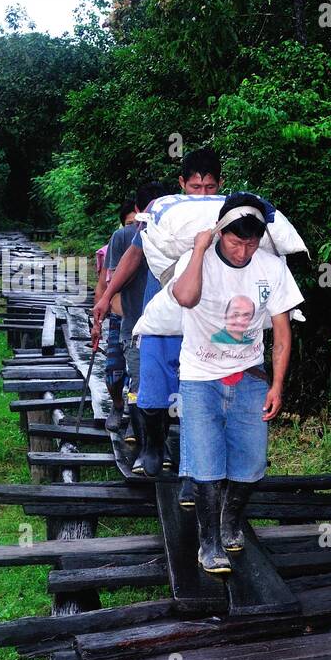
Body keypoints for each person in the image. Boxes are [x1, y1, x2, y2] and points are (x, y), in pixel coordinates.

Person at [170, 192, 302, 574]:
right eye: (234, 240)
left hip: (250, 376)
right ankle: (208, 542)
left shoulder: (272, 268)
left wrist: (277, 385)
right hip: (199, 377)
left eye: (251, 242)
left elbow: (282, 331)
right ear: (220, 232)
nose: (243, 251)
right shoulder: (201, 260)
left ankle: (230, 520)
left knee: (250, 464)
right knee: (206, 465)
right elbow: (185, 296)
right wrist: (199, 249)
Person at [95, 148, 222, 482]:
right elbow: (134, 255)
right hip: (160, 312)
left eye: (210, 188)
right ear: (181, 184)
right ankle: (154, 446)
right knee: (151, 382)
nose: (203, 195)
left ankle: (198, 469)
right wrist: (107, 295)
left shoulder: (226, 213)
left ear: (221, 184)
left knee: (199, 388)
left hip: (205, 317)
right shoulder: (161, 211)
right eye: (196, 187)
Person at [92, 180, 165, 466]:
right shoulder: (124, 238)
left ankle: (159, 446)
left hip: (172, 328)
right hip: (134, 323)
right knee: (137, 381)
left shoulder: (183, 234)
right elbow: (112, 280)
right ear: (138, 210)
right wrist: (112, 312)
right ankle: (146, 444)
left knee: (163, 388)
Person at [94, 196, 136, 432]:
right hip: (119, 315)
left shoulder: (158, 246)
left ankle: (137, 418)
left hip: (144, 318)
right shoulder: (113, 249)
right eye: (129, 224)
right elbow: (102, 286)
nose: (134, 230)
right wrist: (97, 320)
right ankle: (117, 404)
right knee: (114, 368)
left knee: (138, 371)